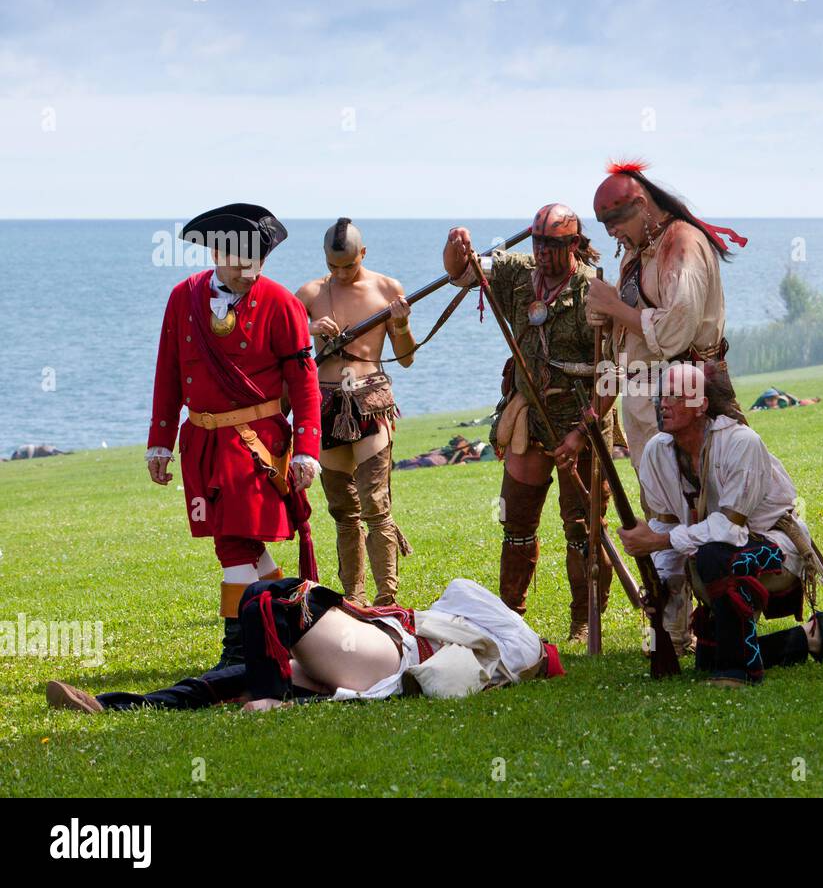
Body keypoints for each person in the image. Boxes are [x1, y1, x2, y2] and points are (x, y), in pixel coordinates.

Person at [146, 204, 321, 669]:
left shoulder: (283, 303)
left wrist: (306, 450)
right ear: (218, 254)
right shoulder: (182, 298)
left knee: (231, 543)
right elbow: (168, 371)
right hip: (201, 445)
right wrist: (160, 440)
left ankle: (240, 652)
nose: (250, 273)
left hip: (255, 445)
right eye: (241, 263)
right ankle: (280, 629)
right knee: (245, 544)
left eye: (257, 264)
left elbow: (304, 384)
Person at [586, 161, 750, 653]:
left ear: (640, 206)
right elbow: (627, 340)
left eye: (616, 221)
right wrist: (604, 396)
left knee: (713, 502)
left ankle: (726, 617)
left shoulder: (683, 244)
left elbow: (674, 331)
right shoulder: (639, 253)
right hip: (645, 400)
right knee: (661, 510)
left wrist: (615, 306)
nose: (613, 233)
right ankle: (670, 629)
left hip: (689, 394)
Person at [442, 204, 613, 643]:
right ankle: (512, 620)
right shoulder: (517, 273)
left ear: (573, 245)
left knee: (583, 527)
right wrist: (456, 245)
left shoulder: (594, 290)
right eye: (538, 243)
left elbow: (612, 374)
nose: (542, 253)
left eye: (553, 245)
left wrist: (581, 433)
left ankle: (583, 621)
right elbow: (463, 273)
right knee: (516, 522)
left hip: (583, 421)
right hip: (529, 416)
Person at [617, 362, 823, 687]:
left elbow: (729, 529)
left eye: (676, 396)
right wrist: (663, 586)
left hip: (772, 545)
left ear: (701, 405)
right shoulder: (657, 451)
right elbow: (666, 524)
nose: (664, 403)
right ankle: (813, 637)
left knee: (716, 555)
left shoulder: (741, 443)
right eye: (662, 396)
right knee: (706, 658)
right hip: (711, 550)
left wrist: (655, 543)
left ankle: (737, 672)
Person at [45, 578, 564, 713]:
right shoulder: (507, 646)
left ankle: (269, 693)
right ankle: (113, 706)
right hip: (378, 648)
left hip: (391, 654)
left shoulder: (517, 642)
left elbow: (460, 590)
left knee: (273, 598)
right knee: (244, 671)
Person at [296, 218, 416, 607]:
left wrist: (399, 325)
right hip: (325, 404)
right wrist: (311, 329)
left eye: (348, 265)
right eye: (334, 267)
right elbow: (285, 349)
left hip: (371, 401)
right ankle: (354, 597)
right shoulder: (309, 294)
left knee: (376, 504)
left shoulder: (387, 288)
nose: (341, 273)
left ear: (363, 254)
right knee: (343, 510)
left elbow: (407, 357)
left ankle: (387, 598)